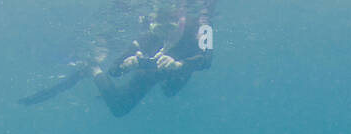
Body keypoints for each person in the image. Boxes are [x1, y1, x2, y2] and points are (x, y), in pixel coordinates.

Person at [19, 1, 216, 114]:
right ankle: (92, 70)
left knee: (170, 91)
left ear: (180, 21)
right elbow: (114, 69)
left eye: (169, 27)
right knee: (120, 108)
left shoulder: (201, 26)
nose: (164, 35)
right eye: (158, 28)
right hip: (153, 71)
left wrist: (178, 65)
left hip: (182, 65)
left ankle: (173, 75)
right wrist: (126, 65)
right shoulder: (148, 37)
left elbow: (206, 60)